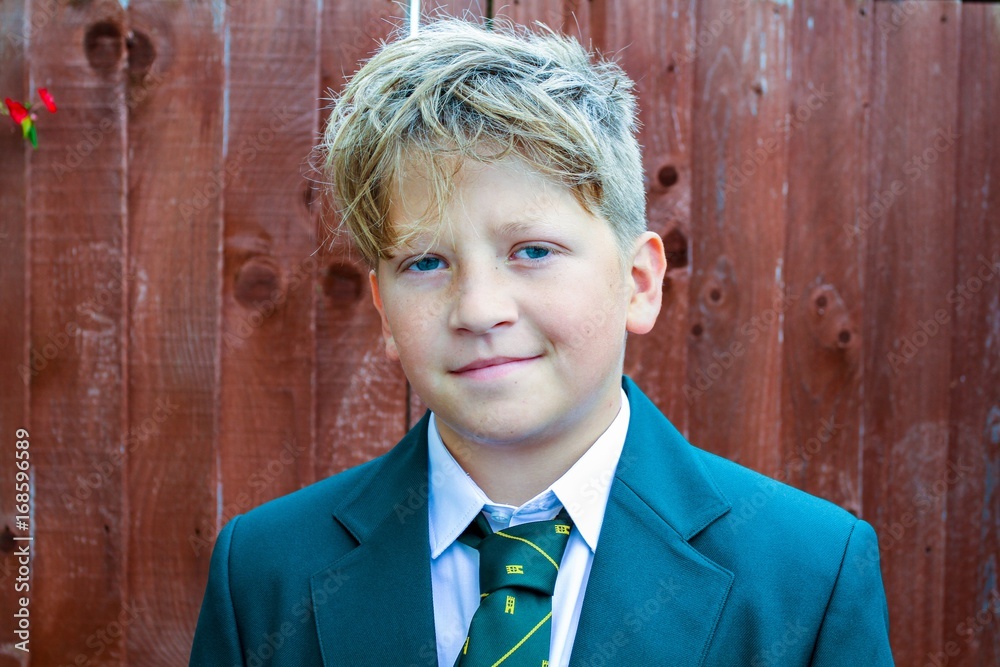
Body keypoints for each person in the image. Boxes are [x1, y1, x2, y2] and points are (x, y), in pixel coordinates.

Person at [190, 16, 893, 666]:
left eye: (532, 251)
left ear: (639, 282)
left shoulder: (809, 574)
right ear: (383, 310)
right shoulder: (263, 572)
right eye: (426, 262)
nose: (479, 309)